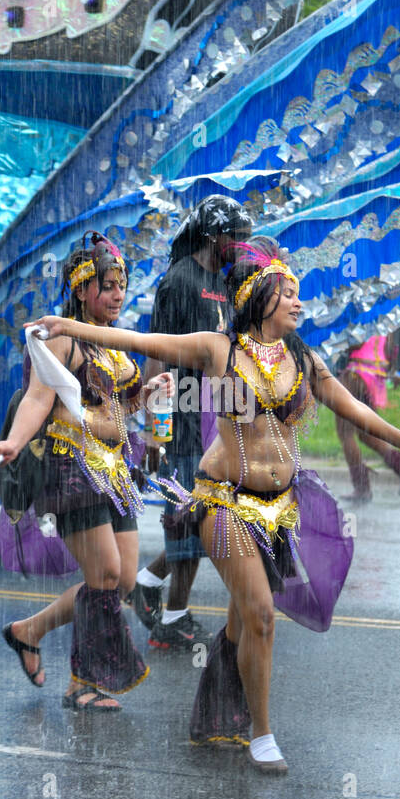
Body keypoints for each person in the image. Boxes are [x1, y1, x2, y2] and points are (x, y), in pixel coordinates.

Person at [25, 237, 400, 773]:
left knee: (239, 628)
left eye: (298, 294)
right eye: (288, 292)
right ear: (260, 296)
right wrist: (72, 327)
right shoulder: (218, 350)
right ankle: (263, 735)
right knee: (262, 617)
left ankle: (219, 715)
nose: (298, 302)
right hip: (223, 504)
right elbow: (137, 336)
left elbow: (354, 409)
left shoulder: (303, 359)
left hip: (278, 511)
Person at [0, 233, 173, 711]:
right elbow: (37, 398)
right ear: (82, 287)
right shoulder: (63, 340)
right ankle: (82, 682)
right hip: (71, 472)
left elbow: (118, 405)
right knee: (106, 574)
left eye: (122, 286)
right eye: (108, 286)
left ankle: (28, 632)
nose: (117, 296)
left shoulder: (112, 344)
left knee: (122, 579)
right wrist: (15, 441)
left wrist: (148, 392)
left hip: (114, 471)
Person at [126, 195, 252, 650]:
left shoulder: (219, 282)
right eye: (234, 237)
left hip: (209, 416)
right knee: (188, 519)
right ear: (213, 236)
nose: (238, 245)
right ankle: (172, 615)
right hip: (179, 417)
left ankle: (150, 585)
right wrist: (154, 428)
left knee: (202, 516)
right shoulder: (179, 281)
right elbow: (157, 352)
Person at [335, 333, 400, 502]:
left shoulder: (360, 310)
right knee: (367, 434)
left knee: (346, 433)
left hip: (356, 373)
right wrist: (391, 370)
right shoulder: (383, 311)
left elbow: (356, 343)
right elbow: (390, 349)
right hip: (375, 376)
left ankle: (362, 488)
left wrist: (341, 342)